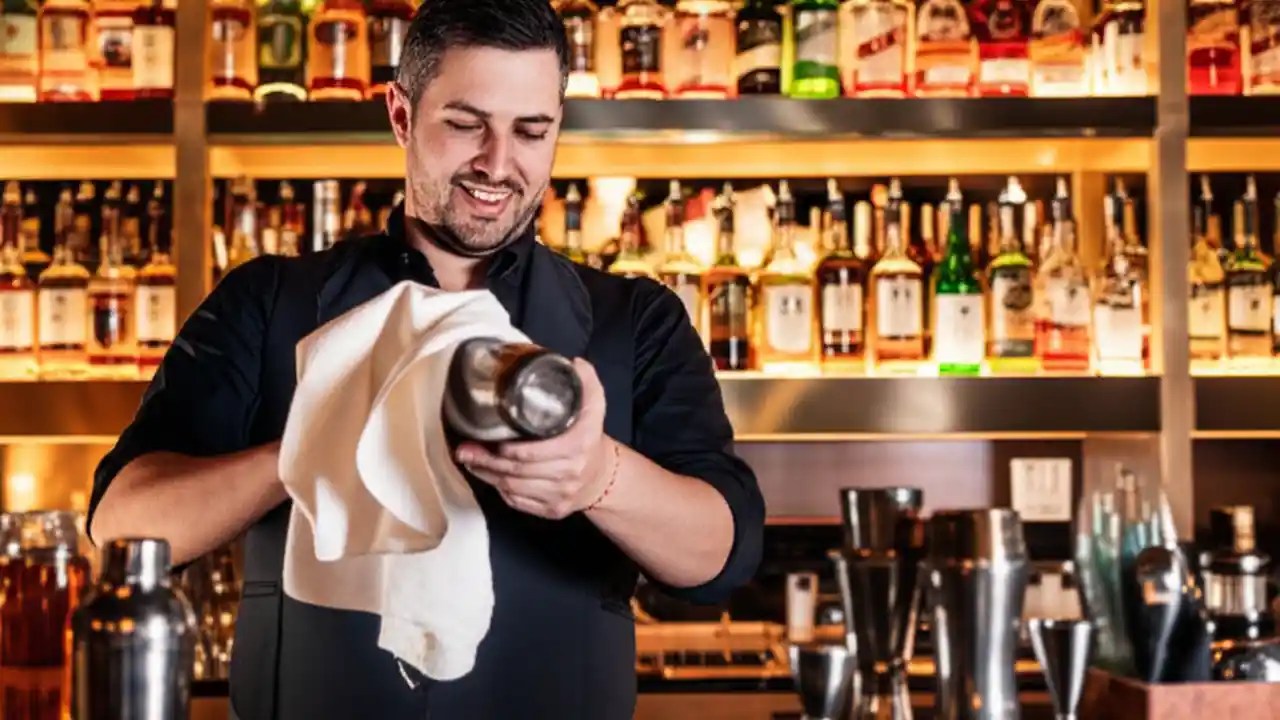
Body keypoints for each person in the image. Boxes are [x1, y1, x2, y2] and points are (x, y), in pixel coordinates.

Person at [86, 1, 765, 718]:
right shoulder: (271, 302)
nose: (498, 165)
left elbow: (723, 555)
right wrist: (309, 449)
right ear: (402, 115)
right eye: (467, 125)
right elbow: (120, 524)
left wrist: (599, 476)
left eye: (531, 131)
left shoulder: (636, 321)